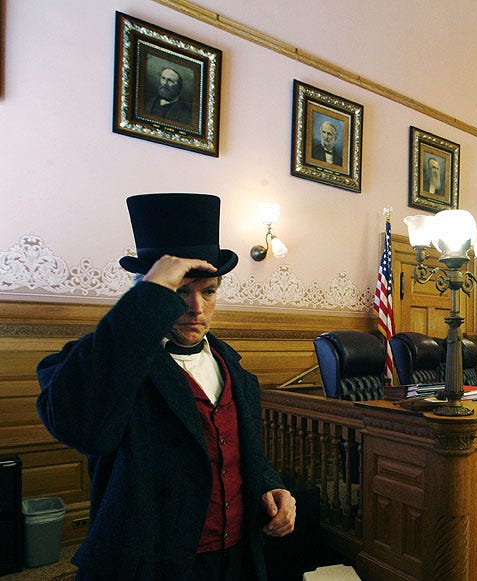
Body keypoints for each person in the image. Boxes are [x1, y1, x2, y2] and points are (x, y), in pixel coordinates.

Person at [36, 193, 296, 578]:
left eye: (208, 292)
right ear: (149, 291)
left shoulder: (235, 369)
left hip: (235, 556)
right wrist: (151, 294)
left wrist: (271, 487)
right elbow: (84, 427)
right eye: (179, 292)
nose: (196, 308)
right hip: (152, 565)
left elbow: (238, 455)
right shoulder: (102, 362)